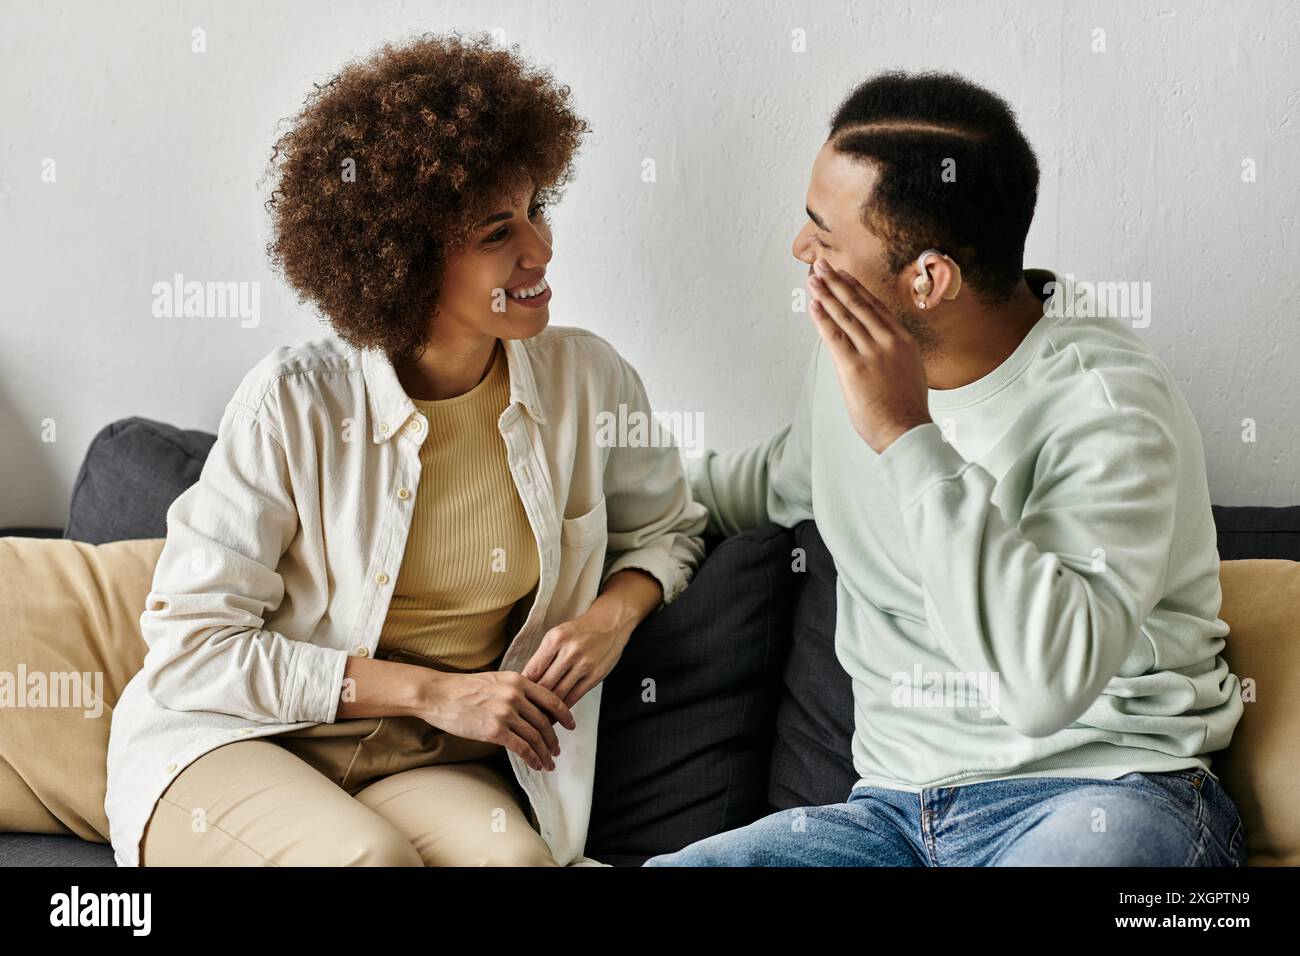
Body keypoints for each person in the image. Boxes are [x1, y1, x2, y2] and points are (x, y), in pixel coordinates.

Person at [104, 32, 707, 867]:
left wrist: (613, 615)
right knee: (366, 862)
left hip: (426, 761)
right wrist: (435, 693)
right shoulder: (294, 403)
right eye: (499, 231)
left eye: (537, 209)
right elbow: (194, 647)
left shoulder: (587, 381)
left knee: (518, 864)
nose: (541, 248)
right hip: (242, 742)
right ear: (407, 263)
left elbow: (668, 530)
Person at [645, 70, 1245, 867]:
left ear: (927, 279)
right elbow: (765, 486)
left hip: (1105, 797)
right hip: (890, 818)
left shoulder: (1108, 408)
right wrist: (581, 506)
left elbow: (1045, 687)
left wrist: (905, 434)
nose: (799, 250)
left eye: (823, 236)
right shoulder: (849, 368)